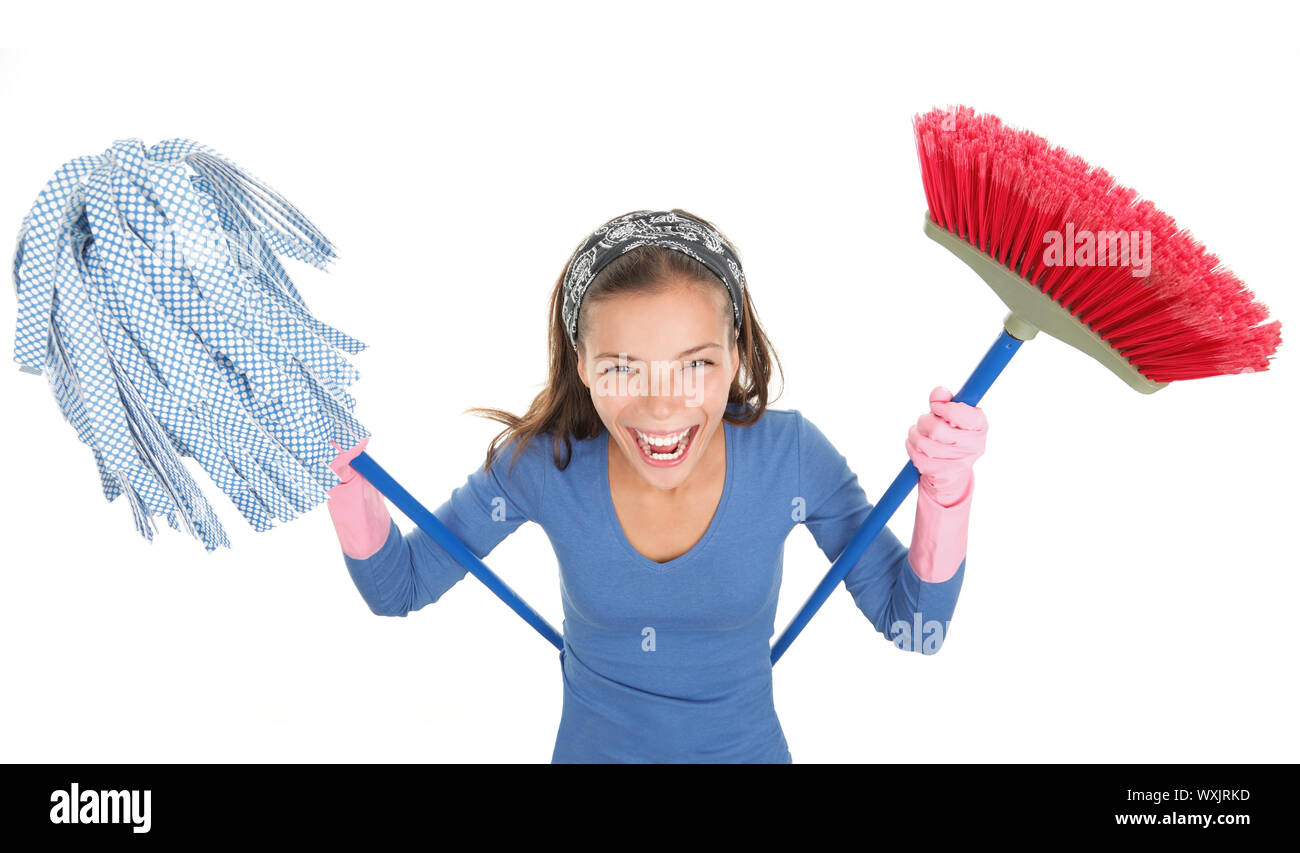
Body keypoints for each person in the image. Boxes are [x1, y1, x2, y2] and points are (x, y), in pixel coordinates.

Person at [325, 208, 988, 763]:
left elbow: (915, 624)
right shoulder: (544, 464)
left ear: (736, 355)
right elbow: (398, 587)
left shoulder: (788, 457)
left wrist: (946, 489)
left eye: (695, 363)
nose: (662, 405)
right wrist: (346, 476)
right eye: (622, 367)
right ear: (582, 365)